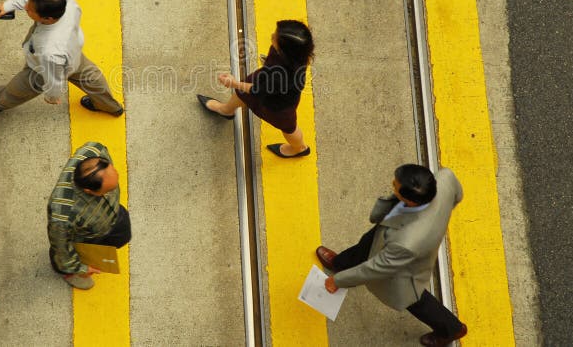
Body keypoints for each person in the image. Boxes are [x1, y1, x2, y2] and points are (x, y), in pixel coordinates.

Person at [317, 164, 468, 347]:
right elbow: (457, 195)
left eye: (395, 185)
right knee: (368, 243)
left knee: (413, 298)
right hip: (394, 228)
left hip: (406, 253)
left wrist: (338, 281)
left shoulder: (407, 243)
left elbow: (375, 268)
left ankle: (451, 329)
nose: (392, 185)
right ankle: (342, 263)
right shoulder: (445, 178)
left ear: (411, 201)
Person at [0, 0, 123, 119]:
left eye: (29, 10)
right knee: (93, 79)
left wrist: (52, 96)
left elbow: (53, 78)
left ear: (48, 19)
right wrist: (8, 5)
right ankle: (110, 106)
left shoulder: (49, 50)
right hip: (74, 54)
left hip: (42, 68)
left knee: (15, 91)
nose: (25, 8)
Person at [196, 19, 314, 158]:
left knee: (289, 128)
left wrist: (233, 82)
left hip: (277, 105)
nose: (272, 36)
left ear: (284, 51)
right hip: (267, 84)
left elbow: (256, 90)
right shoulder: (296, 55)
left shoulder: (280, 76)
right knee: (242, 94)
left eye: (275, 37)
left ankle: (299, 148)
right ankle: (226, 110)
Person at [47, 141, 131, 290]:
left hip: (111, 214)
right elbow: (62, 250)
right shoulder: (62, 217)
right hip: (85, 235)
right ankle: (67, 273)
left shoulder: (95, 150)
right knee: (61, 255)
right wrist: (81, 268)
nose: (113, 190)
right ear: (89, 192)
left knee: (123, 237)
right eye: (108, 190)